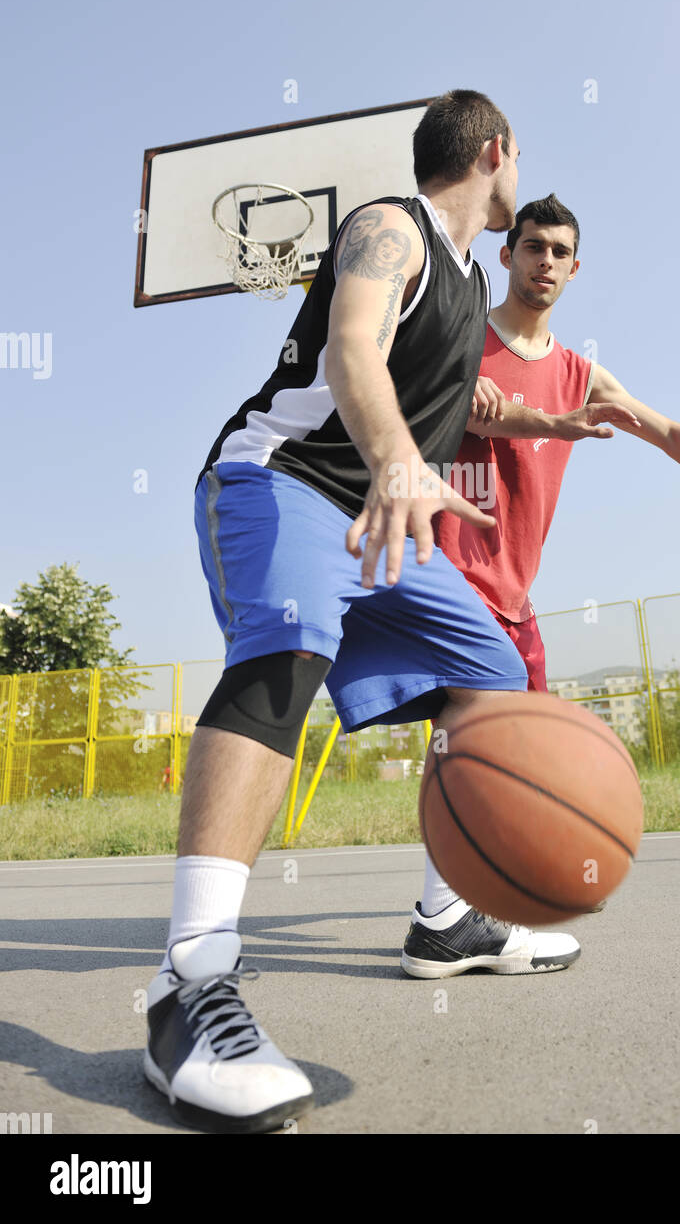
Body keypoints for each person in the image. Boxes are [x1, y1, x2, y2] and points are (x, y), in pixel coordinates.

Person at [143, 94, 596, 1137]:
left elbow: (466, 400)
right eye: (518, 156)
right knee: (288, 640)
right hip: (286, 479)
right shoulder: (389, 228)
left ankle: (446, 920)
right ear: (496, 153)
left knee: (492, 669)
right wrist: (398, 459)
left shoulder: (474, 285)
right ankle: (189, 986)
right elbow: (353, 347)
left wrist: (545, 420)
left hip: (381, 521)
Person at [434, 192, 680, 699]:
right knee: (483, 735)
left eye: (559, 251)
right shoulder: (460, 340)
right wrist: (534, 415)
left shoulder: (581, 374)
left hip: (514, 596)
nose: (545, 260)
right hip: (449, 578)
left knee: (509, 754)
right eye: (533, 247)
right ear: (507, 257)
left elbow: (668, 433)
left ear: (574, 269)